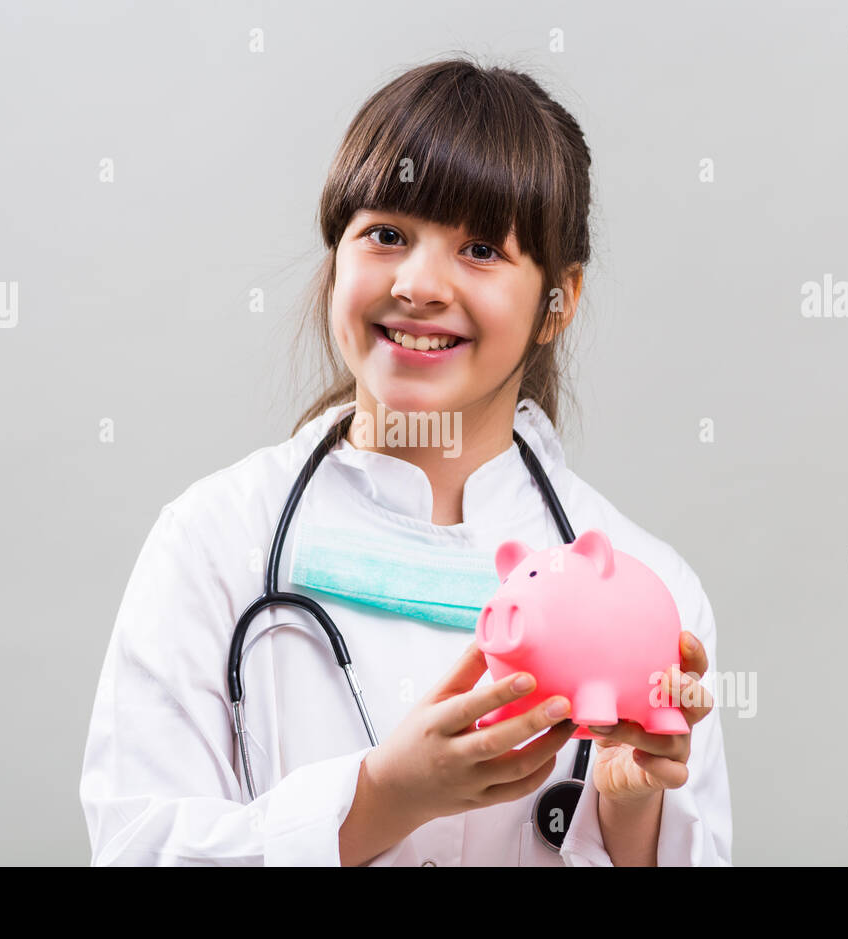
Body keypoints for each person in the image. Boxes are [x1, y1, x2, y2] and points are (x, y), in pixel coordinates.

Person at [79, 55, 732, 867]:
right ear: (336, 261)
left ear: (556, 303)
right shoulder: (212, 541)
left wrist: (628, 810)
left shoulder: (648, 587)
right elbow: (136, 851)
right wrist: (383, 799)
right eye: (387, 235)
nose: (421, 285)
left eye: (482, 250)